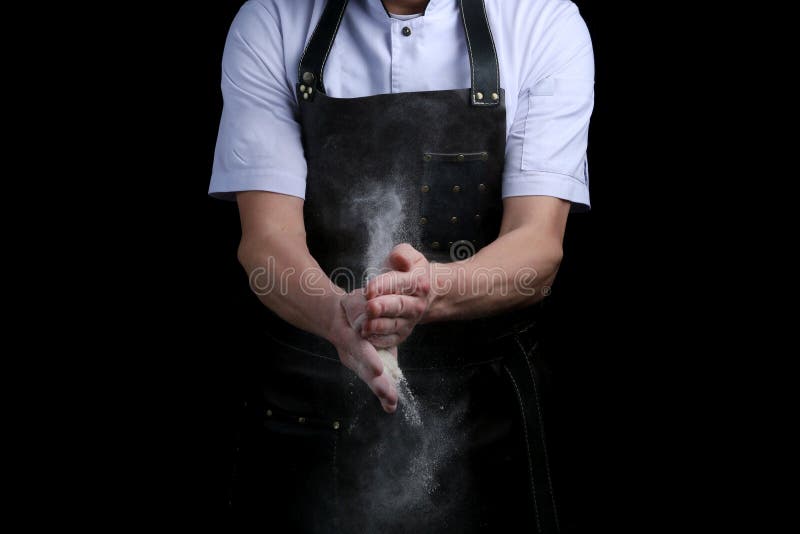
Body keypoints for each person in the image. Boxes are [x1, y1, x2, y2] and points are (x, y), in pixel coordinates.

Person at [209, 0, 593, 531]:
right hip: (309, 414)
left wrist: (432, 289)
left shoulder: (541, 18)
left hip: (485, 420)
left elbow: (538, 246)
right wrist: (336, 317)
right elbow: (266, 241)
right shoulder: (272, 18)